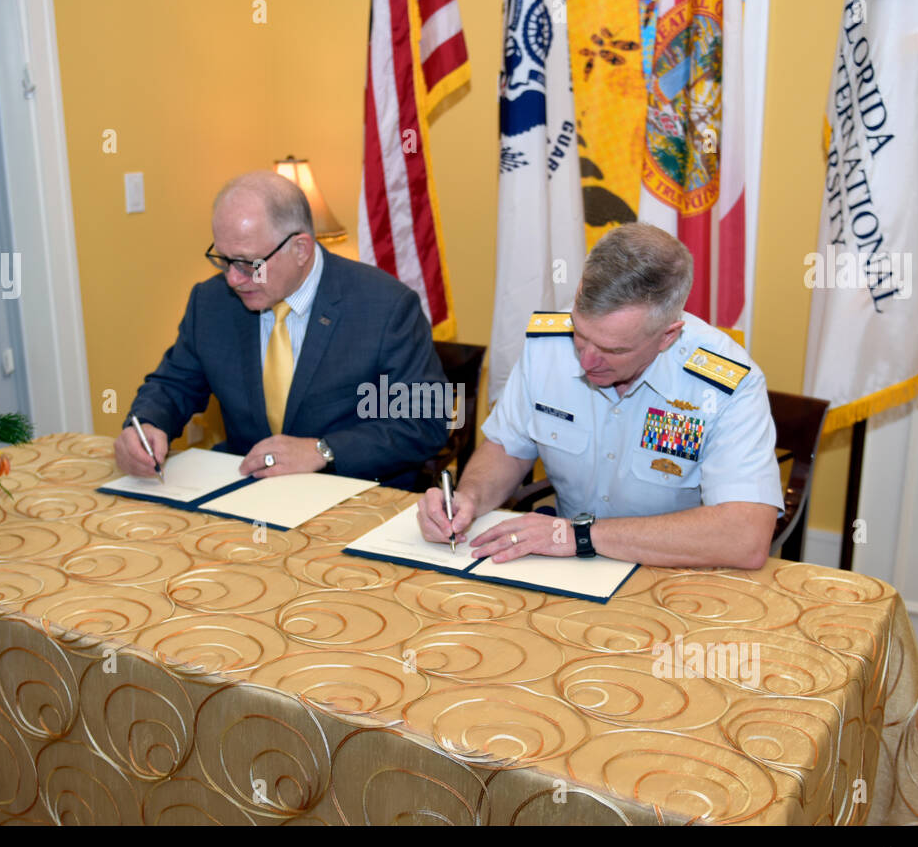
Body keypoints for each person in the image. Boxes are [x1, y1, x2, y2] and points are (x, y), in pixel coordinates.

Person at [417, 223, 784, 569]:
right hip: (566, 564)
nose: (587, 360)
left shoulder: (724, 383)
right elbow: (508, 448)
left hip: (671, 570)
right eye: (581, 334)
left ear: (668, 336)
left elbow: (746, 536)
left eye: (615, 349)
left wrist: (579, 537)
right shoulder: (548, 345)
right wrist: (470, 499)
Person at [116, 171, 449, 487]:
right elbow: (174, 385)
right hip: (246, 494)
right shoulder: (212, 302)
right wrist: (147, 424)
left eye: (249, 264)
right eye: (224, 260)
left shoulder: (385, 307)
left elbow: (425, 422)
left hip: (351, 496)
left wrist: (324, 450)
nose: (233, 279)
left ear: (300, 249)